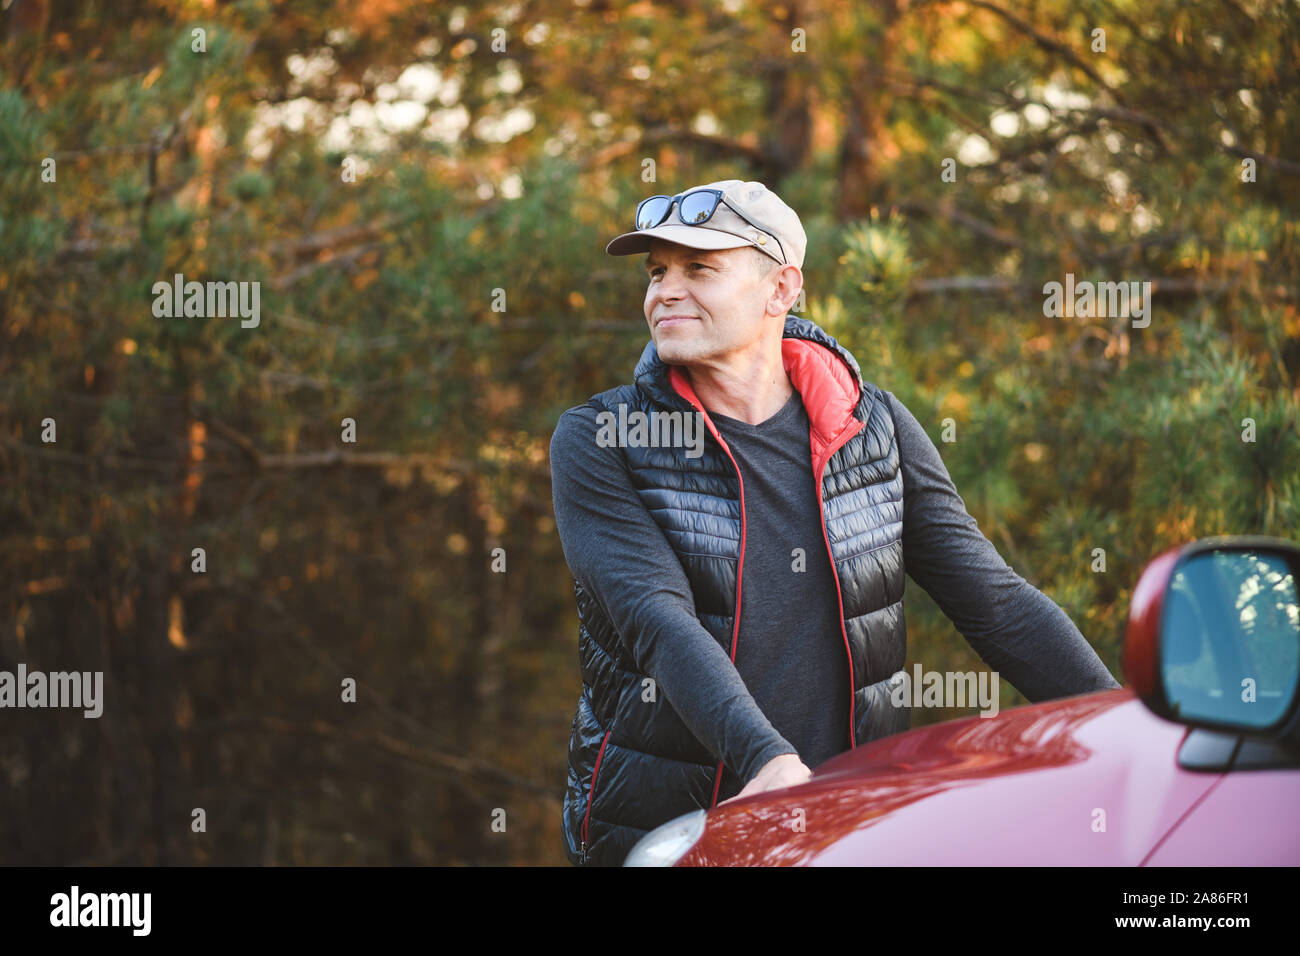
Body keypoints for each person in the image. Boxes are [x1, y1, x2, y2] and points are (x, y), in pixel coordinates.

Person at [549, 178, 1119, 866]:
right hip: (668, 833)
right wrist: (769, 763)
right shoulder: (603, 438)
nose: (664, 290)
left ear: (781, 288)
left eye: (699, 268)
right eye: (657, 271)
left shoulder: (873, 430)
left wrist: (1126, 725)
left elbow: (994, 603)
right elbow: (656, 619)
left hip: (849, 829)